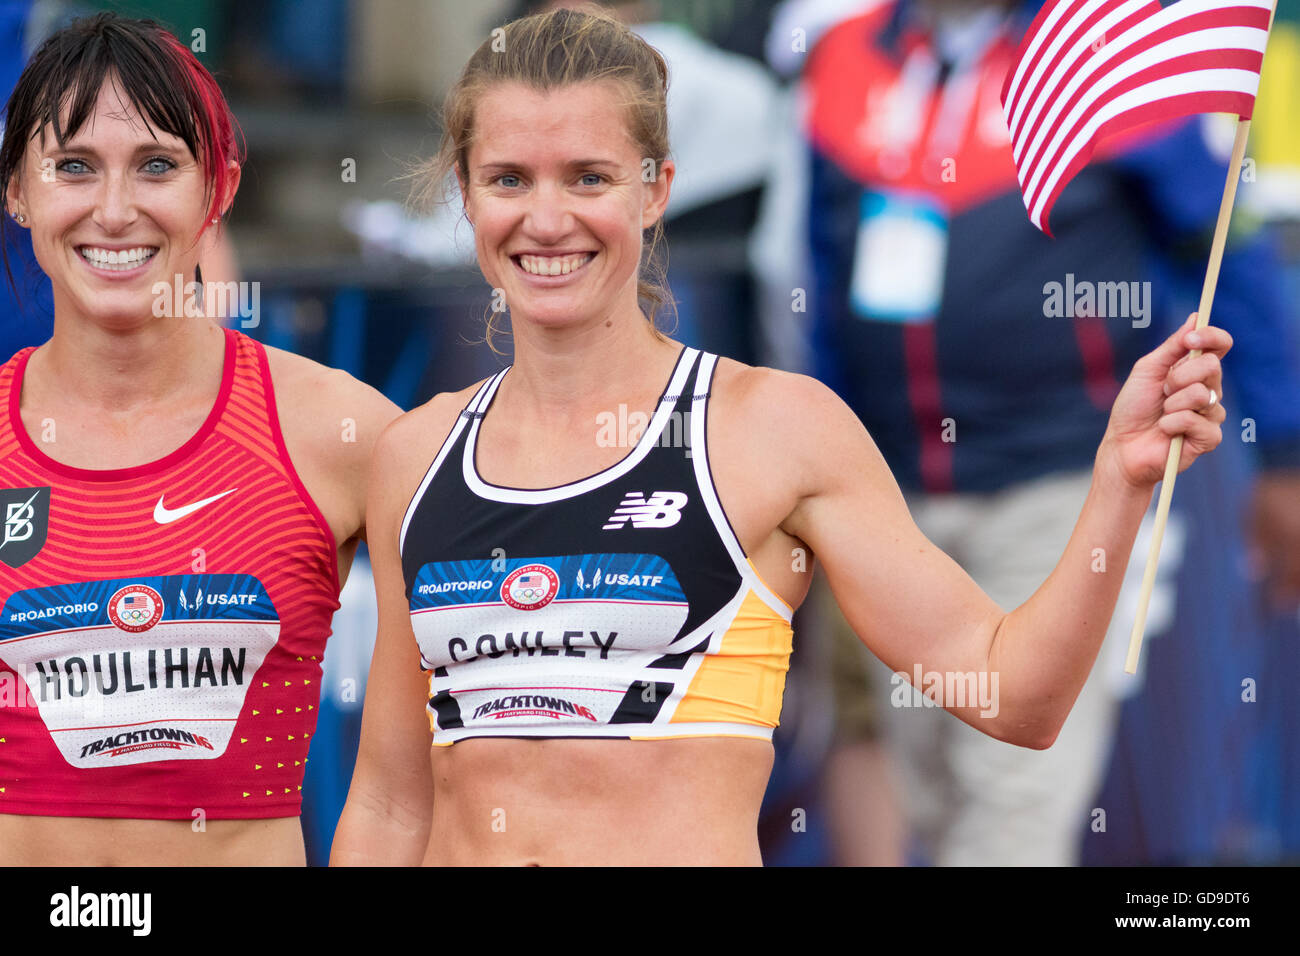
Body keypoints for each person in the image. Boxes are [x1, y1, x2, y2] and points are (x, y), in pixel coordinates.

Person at [331, 6, 1231, 866]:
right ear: (466, 195)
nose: (548, 218)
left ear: (657, 191)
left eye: (590, 177)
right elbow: (388, 803)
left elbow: (1011, 694)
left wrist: (1120, 478)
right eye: (509, 179)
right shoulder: (416, 454)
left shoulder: (773, 429)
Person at [799, 0, 1300, 865]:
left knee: (1014, 801)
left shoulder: (1107, 43)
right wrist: (818, 476)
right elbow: (815, 268)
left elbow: (1231, 249)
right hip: (885, 492)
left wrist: (1287, 450)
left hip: (1060, 486)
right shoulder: (846, 52)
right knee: (932, 791)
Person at [0, 13, 400, 865]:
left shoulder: (344, 433)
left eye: (156, 166)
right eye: (73, 167)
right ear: (17, 191)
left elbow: (426, 779)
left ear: (218, 188)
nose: (114, 210)